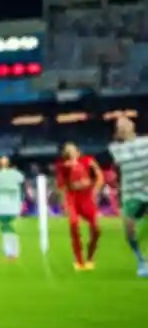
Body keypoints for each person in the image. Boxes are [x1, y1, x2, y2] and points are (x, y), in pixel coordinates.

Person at [108, 117, 148, 278]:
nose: (123, 127)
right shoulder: (115, 149)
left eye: (125, 123)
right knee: (129, 230)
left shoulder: (145, 141)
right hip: (131, 192)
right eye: (119, 126)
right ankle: (140, 259)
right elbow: (116, 169)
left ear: (133, 125)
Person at [55, 142, 104, 271]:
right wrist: (63, 201)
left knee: (96, 229)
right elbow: (61, 185)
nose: (71, 153)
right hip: (73, 198)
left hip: (86, 197)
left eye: (73, 150)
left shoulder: (88, 161)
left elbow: (99, 176)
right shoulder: (62, 166)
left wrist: (95, 190)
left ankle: (90, 257)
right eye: (68, 151)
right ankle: (79, 260)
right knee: (74, 225)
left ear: (78, 151)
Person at [0, 156, 25, 261]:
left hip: (6, 205)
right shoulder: (15, 174)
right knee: (8, 228)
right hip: (6, 205)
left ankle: (11, 251)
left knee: (7, 228)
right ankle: (10, 251)